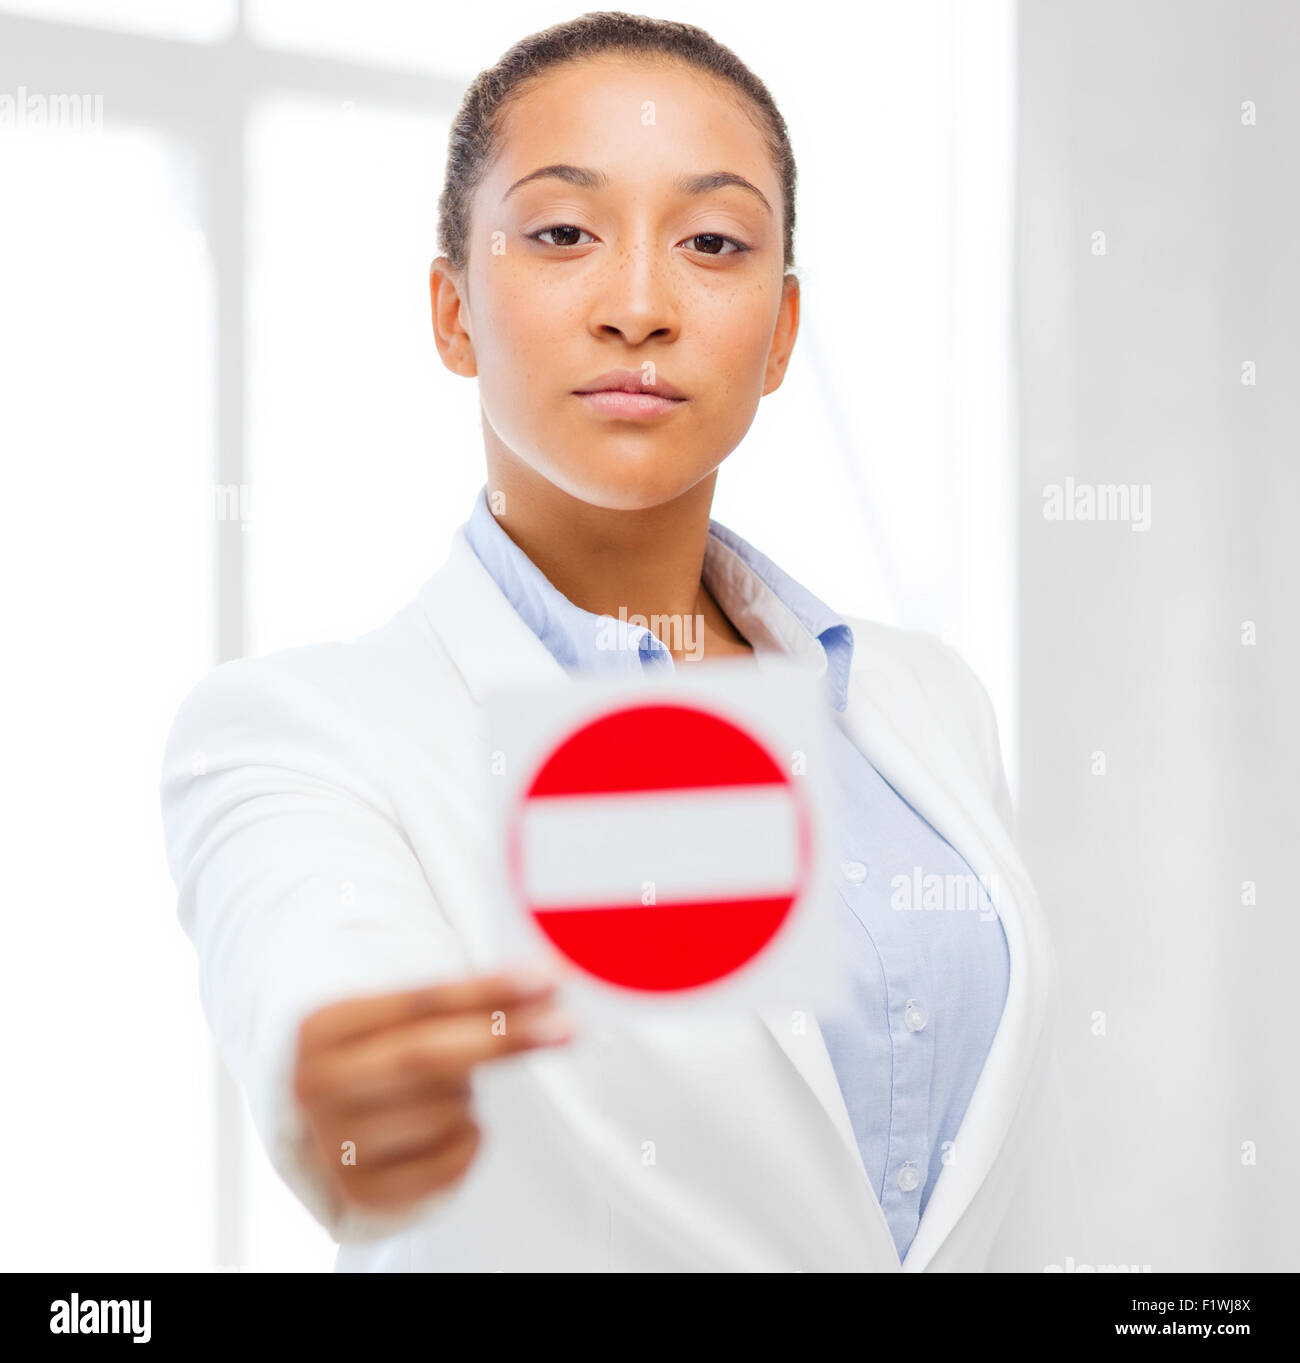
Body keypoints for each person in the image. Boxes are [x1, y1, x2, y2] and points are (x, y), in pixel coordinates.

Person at [161, 11, 1072, 1272]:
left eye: (711, 242)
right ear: (453, 311)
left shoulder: (925, 702)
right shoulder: (303, 733)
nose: (639, 305)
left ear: (782, 333)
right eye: (562, 233)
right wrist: (340, 1087)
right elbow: (320, 980)